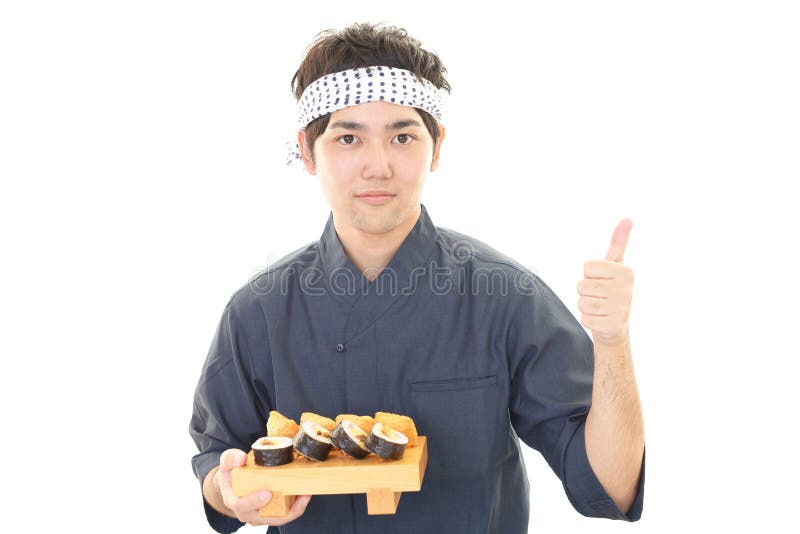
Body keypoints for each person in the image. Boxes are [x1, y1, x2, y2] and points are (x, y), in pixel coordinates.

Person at [189, 21, 645, 534]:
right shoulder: (259, 310)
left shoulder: (505, 297)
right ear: (309, 150)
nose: (378, 165)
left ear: (437, 145)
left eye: (402, 136)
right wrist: (229, 492)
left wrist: (612, 344)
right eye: (347, 138)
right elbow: (216, 459)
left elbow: (610, 484)